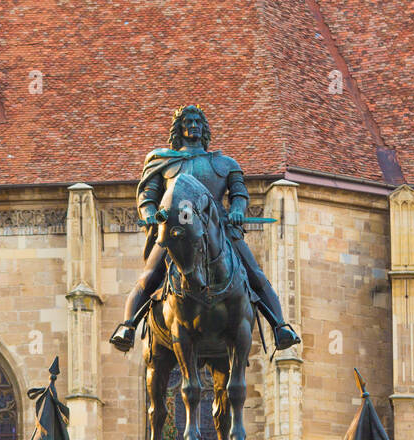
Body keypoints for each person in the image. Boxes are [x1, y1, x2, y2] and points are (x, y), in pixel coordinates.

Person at [108, 104, 299, 351]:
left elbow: (239, 193)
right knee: (148, 277)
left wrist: (238, 210)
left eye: (197, 122)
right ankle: (127, 326)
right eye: (187, 122)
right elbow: (147, 196)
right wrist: (152, 216)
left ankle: (280, 326)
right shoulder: (162, 161)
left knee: (255, 275)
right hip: (176, 230)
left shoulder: (225, 163)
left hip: (219, 229)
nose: (193, 126)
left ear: (204, 128)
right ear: (179, 128)